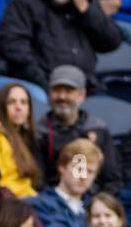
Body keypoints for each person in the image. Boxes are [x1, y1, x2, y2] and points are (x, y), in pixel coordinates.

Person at [0, 0, 122, 95]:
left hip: (86, 88)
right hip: (43, 88)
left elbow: (111, 42)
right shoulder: (25, 3)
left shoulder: (84, 3)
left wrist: (86, 10)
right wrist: (47, 84)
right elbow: (15, 49)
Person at [36, 65, 123, 197]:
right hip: (53, 203)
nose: (62, 96)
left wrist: (97, 204)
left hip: (94, 202)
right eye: (56, 90)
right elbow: (38, 181)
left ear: (82, 94)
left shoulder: (98, 128)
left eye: (68, 91)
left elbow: (112, 179)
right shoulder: (39, 132)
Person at [27, 138, 101, 227]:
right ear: (62, 167)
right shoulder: (42, 204)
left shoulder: (94, 206)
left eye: (90, 171)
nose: (83, 176)